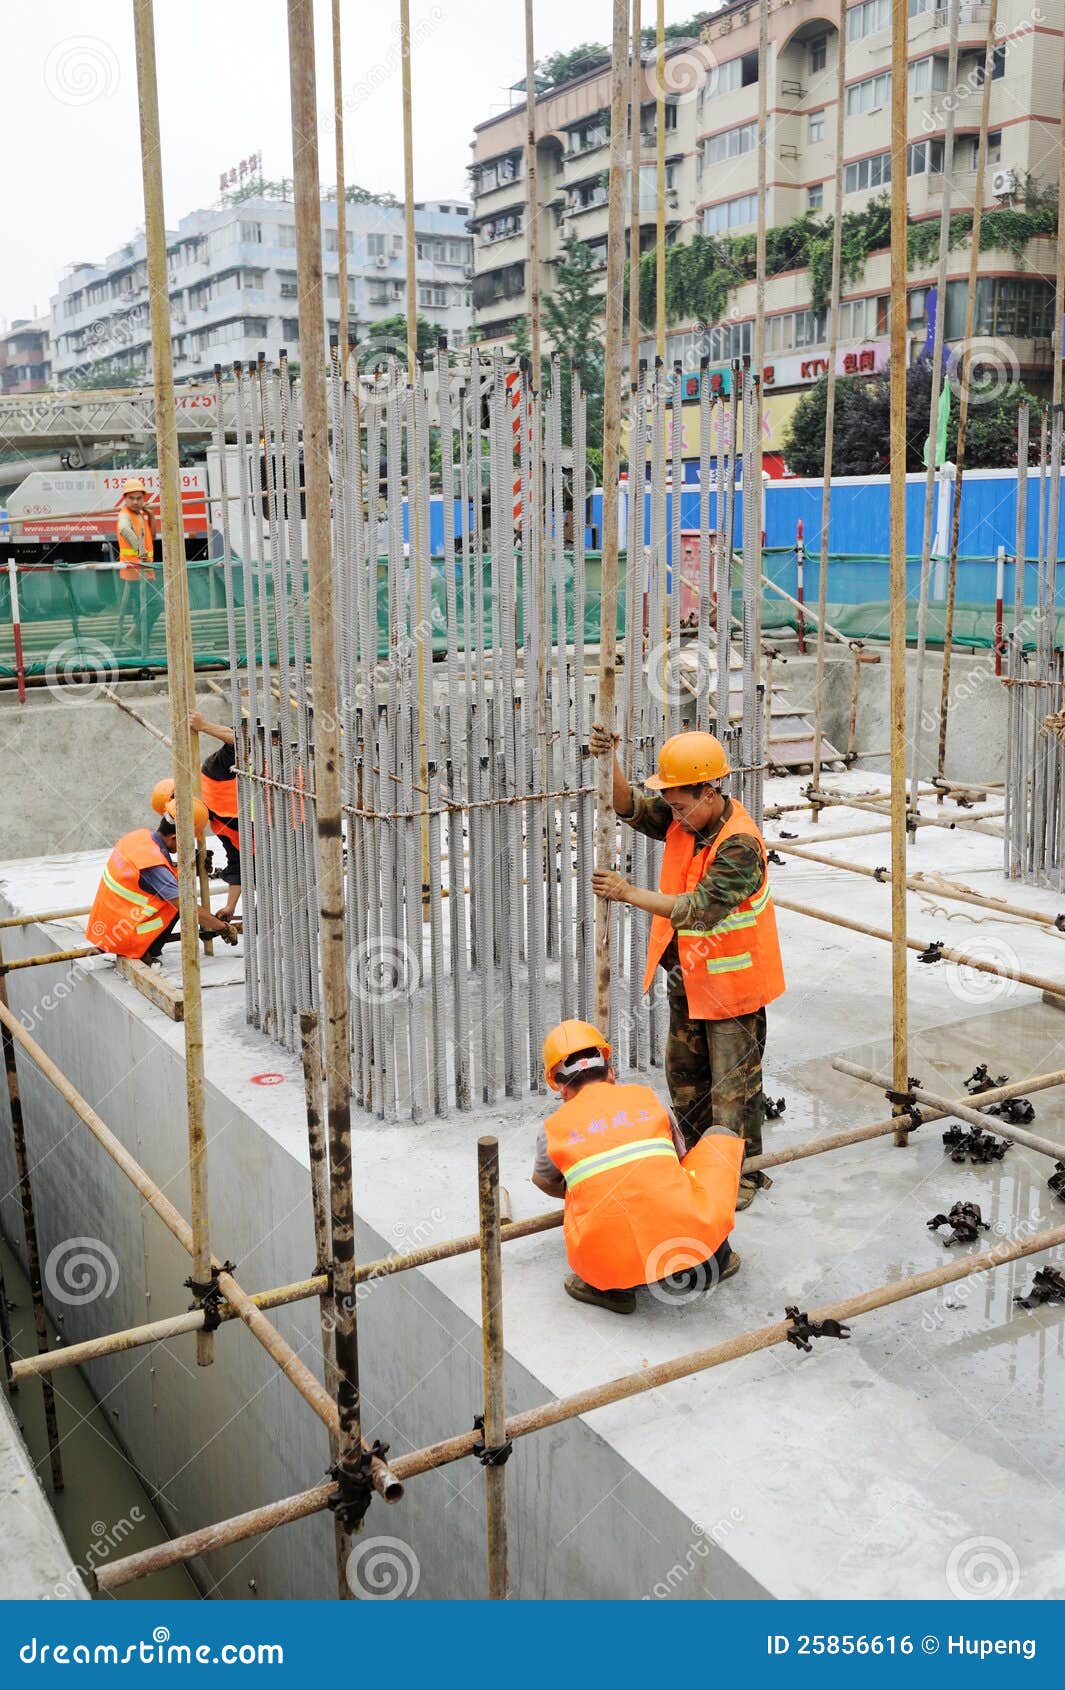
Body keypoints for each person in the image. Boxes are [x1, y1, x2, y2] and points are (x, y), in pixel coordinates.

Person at [589, 726, 785, 1211]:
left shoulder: (740, 845)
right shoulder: (686, 815)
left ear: (709, 791)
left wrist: (625, 892)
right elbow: (628, 805)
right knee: (687, 1076)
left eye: (679, 805)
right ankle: (700, 1159)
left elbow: (699, 908)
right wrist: (608, 759)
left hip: (734, 986)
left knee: (733, 1085)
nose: (672, 815)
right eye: (671, 806)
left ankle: (742, 1175)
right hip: (691, 979)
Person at [532, 1019, 744, 1315]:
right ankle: (713, 1261)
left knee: (584, 1195)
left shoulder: (552, 1130)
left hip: (607, 1265)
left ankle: (613, 1290)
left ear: (559, 1086)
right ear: (611, 1073)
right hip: (685, 1243)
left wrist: (582, 1191)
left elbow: (542, 1181)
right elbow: (680, 1161)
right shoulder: (648, 1099)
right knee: (719, 1138)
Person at [87, 795, 234, 964]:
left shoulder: (139, 837)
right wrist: (222, 928)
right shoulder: (154, 865)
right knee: (178, 905)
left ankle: (139, 945)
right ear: (174, 838)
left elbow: (157, 876)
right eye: (186, 841)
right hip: (125, 936)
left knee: (173, 894)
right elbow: (186, 905)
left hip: (106, 928)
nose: (186, 846)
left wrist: (190, 866)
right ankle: (146, 950)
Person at [188, 710, 241, 920]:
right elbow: (238, 867)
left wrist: (204, 725)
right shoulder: (224, 829)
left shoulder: (216, 774)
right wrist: (230, 908)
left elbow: (239, 741)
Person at [114, 477, 160, 649]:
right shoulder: (125, 515)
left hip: (143, 569)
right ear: (125, 499)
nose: (135, 501)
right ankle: (133, 637)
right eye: (131, 498)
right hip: (135, 570)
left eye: (138, 498)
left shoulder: (139, 514)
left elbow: (153, 536)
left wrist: (151, 515)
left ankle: (141, 641)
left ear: (143, 499)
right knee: (155, 604)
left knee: (142, 606)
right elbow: (125, 529)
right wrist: (140, 551)